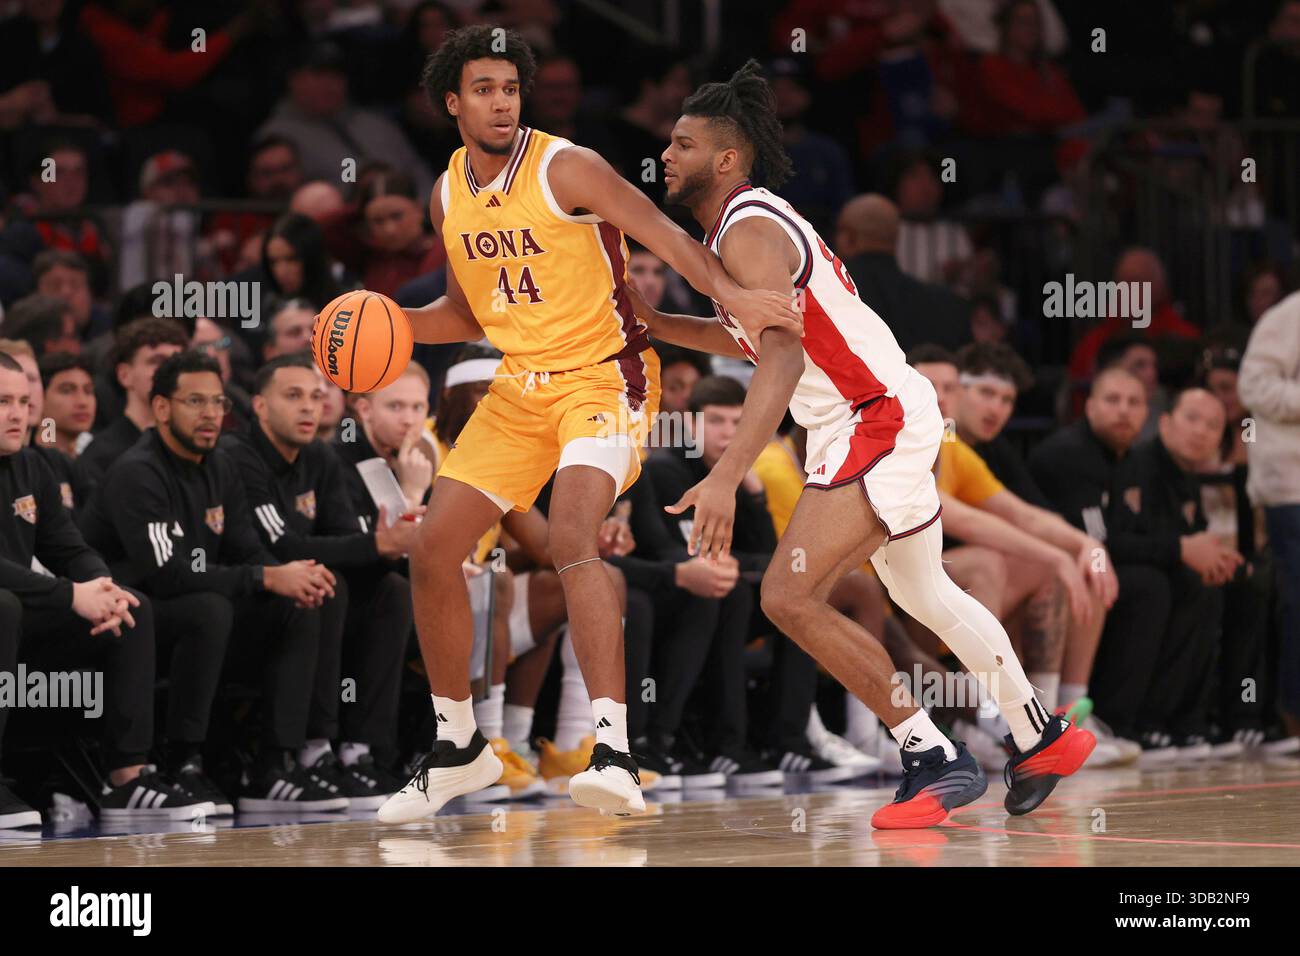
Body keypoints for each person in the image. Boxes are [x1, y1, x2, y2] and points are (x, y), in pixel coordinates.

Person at [633, 60, 1096, 828]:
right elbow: (751, 332)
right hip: (874, 414)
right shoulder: (743, 229)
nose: (666, 157)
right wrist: (656, 323)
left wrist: (726, 474)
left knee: (786, 595)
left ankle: (931, 755)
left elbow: (780, 355)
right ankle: (1039, 734)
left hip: (870, 416)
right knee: (927, 595)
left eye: (681, 144)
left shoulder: (748, 228)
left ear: (724, 158)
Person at [367, 25, 797, 823]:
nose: (502, 102)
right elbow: (463, 313)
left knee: (571, 535)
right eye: (485, 90)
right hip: (518, 388)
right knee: (432, 549)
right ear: (452, 103)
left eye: (511, 88)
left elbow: (663, 233)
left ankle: (614, 752)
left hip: (607, 375)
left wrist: (731, 295)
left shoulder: (566, 165)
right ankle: (459, 748)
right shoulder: (448, 193)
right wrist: (382, 323)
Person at [78, 351, 346, 814]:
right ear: (161, 408)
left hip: (188, 609)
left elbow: (245, 547)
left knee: (297, 603)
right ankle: (182, 763)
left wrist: (288, 579)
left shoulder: (219, 465)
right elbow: (168, 574)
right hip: (124, 616)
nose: (210, 415)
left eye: (218, 403)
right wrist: (265, 575)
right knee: (209, 608)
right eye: (195, 402)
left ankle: (273, 767)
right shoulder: (138, 472)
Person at [0, 350, 214, 827]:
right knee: (4, 607)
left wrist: (101, 587)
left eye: (19, 400)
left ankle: (127, 780)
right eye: (1, 402)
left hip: (24, 622)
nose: (16, 412)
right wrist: (71, 596)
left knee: (130, 607)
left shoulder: (35, 466)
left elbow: (69, 548)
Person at [222, 354, 417, 807]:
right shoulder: (240, 457)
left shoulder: (321, 459)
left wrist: (396, 546)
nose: (308, 408)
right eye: (292, 397)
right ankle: (302, 753)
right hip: (247, 598)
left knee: (392, 591)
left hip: (309, 600)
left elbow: (347, 538)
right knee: (325, 586)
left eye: (315, 396)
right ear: (260, 406)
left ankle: (360, 751)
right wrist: (380, 544)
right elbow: (282, 546)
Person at [74, 317, 188, 502]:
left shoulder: (193, 448)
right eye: (156, 361)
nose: (169, 371)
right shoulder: (102, 456)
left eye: (177, 363)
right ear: (125, 375)